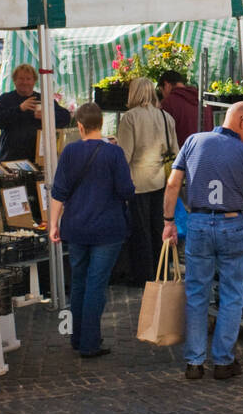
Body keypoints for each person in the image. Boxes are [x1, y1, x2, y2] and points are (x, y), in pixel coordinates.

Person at [162, 101, 243, 381]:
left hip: (197, 223)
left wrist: (168, 221)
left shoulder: (194, 141)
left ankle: (194, 363)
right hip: (232, 224)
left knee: (197, 294)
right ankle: (223, 361)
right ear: (242, 120)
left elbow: (173, 184)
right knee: (232, 295)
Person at [50, 101, 135, 358]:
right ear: (101, 124)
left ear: (79, 125)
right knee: (96, 284)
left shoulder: (69, 151)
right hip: (107, 228)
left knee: (78, 282)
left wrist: (53, 224)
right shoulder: (114, 153)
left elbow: (59, 192)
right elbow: (126, 190)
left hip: (76, 226)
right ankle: (89, 342)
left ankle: (77, 338)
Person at [116, 76, 176, 284]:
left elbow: (124, 155)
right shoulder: (166, 116)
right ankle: (162, 272)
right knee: (159, 229)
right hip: (161, 180)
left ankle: (144, 276)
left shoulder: (130, 118)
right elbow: (174, 150)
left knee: (140, 232)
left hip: (137, 183)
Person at [0, 63, 70, 162]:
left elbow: (66, 117)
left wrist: (47, 116)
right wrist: (20, 109)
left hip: (39, 158)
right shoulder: (5, 99)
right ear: (14, 80)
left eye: (28, 79)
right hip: (11, 157)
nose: (25, 82)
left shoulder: (43, 99)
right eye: (21, 78)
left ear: (34, 81)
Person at [158, 69, 200, 149]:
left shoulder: (168, 103)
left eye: (161, 91)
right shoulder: (201, 99)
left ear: (166, 85)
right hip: (204, 152)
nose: (162, 95)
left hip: (182, 154)